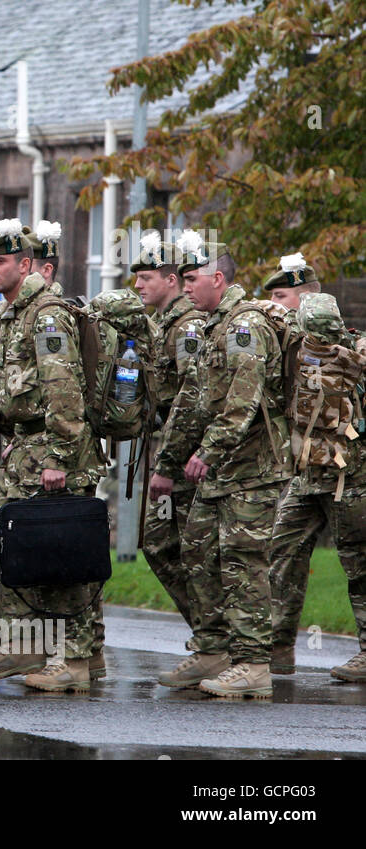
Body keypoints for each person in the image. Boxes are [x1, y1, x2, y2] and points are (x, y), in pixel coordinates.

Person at [150, 232, 290, 698]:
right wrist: (168, 462)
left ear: (217, 277)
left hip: (251, 468)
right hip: (221, 472)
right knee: (196, 551)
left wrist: (207, 451)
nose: (185, 287)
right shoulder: (213, 326)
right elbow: (190, 404)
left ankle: (253, 664)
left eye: (192, 279)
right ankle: (213, 649)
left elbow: (242, 402)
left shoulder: (243, 326)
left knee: (242, 561)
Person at [0, 219, 106, 692]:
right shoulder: (15, 313)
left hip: (55, 450)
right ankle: (29, 644)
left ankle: (74, 661)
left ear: (27, 265)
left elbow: (64, 391)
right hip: (27, 446)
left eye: (2, 261)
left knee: (63, 554)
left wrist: (58, 456)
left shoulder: (46, 314)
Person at [264, 264, 366, 682]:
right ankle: (277, 645)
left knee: (359, 564)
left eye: (281, 298)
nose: (273, 307)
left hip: (351, 477)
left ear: (308, 302)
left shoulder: (356, 350)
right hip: (306, 475)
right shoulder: (289, 346)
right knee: (281, 552)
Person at [130, 232, 206, 650]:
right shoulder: (160, 324)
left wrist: (173, 461)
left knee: (189, 548)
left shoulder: (188, 326)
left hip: (185, 456)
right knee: (160, 545)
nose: (138, 285)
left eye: (145, 277)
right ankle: (211, 634)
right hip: (166, 448)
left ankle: (217, 638)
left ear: (172, 280)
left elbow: (194, 396)